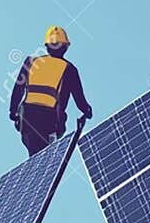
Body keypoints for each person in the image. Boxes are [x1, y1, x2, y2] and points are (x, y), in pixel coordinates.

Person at [10, 26, 94, 155]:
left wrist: (12, 112)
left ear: (47, 46)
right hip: (49, 120)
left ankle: (39, 164)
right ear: (66, 47)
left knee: (34, 152)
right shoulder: (69, 69)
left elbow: (18, 89)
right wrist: (87, 111)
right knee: (45, 152)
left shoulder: (31, 62)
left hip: (26, 117)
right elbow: (79, 100)